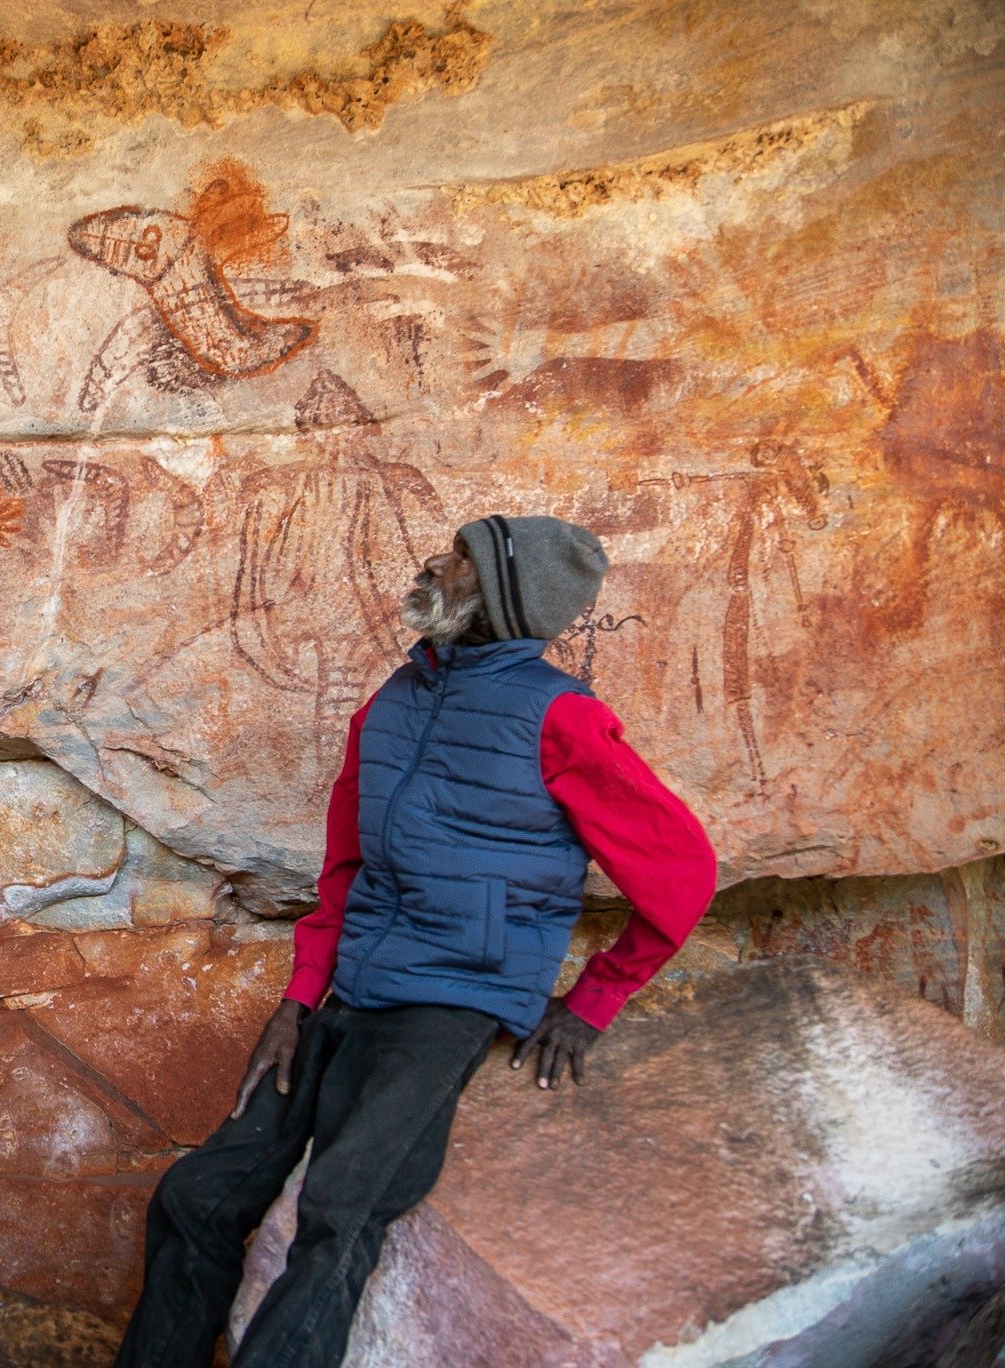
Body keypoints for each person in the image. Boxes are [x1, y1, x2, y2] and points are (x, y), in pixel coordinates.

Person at [114, 515, 717, 1368]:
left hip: (450, 1006)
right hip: (353, 992)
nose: (438, 561)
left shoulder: (563, 719)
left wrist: (595, 1002)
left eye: (463, 558)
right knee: (196, 1194)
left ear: (502, 593)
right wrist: (298, 999)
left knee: (342, 1211)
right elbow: (346, 865)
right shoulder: (395, 701)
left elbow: (683, 871)